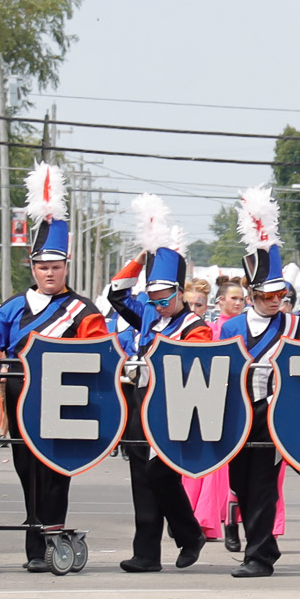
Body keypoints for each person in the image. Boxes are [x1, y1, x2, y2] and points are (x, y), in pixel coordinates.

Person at [0, 163, 111, 567]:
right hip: (21, 404)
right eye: (43, 266)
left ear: (66, 267)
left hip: (66, 406)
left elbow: (96, 357)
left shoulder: (84, 310)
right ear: (32, 266)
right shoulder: (10, 309)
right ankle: (34, 544)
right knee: (29, 476)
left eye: (56, 266)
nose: (49, 273)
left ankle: (50, 542)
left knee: (56, 475)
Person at [106, 193, 211, 573]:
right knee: (139, 477)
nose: (158, 301)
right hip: (139, 401)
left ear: (180, 291)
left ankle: (189, 533)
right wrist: (144, 254)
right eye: (152, 294)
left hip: (174, 408)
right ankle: (147, 553)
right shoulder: (149, 318)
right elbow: (116, 293)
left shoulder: (196, 328)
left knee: (158, 474)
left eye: (165, 294)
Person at [212, 187, 300, 578]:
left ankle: (259, 556)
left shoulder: (297, 325)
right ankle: (263, 544)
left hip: (276, 412)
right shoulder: (229, 326)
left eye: (280, 294)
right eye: (266, 295)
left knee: (265, 483)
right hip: (237, 411)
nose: (274, 301)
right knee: (241, 484)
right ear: (252, 293)